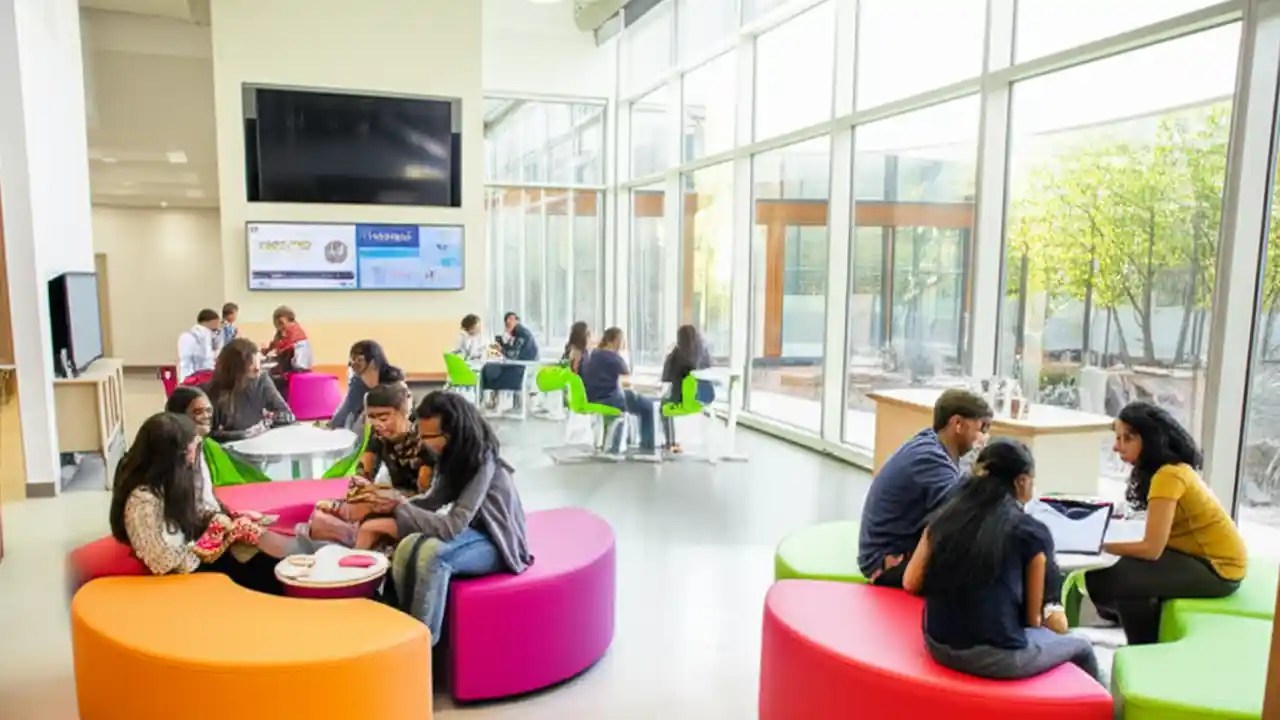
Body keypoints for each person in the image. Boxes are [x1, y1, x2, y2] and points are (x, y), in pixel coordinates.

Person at [903, 439, 1099, 682]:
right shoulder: (1031, 533)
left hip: (938, 643)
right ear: (1021, 481)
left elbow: (910, 582)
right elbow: (1033, 621)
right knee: (1082, 646)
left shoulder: (944, 519)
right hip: (996, 657)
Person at [348, 391, 532, 644]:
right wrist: (387, 504)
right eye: (423, 436)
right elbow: (432, 501)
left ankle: (423, 642)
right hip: (472, 533)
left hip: (498, 543)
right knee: (407, 545)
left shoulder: (481, 461)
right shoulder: (451, 457)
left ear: (454, 432)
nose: (427, 443)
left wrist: (400, 505)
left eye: (432, 436)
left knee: (432, 554)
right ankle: (400, 622)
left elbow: (453, 526)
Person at [1084, 402, 1247, 645]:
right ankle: (1142, 639)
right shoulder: (1169, 470)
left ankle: (1144, 646)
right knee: (1124, 576)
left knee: (1110, 576)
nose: (1117, 447)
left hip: (1219, 569)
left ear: (1150, 439)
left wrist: (1099, 545)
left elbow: (1151, 549)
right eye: (1117, 438)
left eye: (1127, 438)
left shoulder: (1168, 475)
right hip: (1198, 557)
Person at [108, 412, 294, 594]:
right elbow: (162, 562)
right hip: (183, 572)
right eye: (191, 447)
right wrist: (210, 543)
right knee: (260, 568)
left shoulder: (172, 480)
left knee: (266, 556)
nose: (195, 452)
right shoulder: (143, 500)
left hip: (196, 554)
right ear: (173, 455)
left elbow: (194, 514)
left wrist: (224, 522)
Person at [858, 389, 993, 588]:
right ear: (957, 424)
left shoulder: (932, 443)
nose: (985, 437)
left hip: (894, 550)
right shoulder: (930, 460)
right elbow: (963, 513)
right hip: (887, 563)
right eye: (982, 428)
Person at [299, 383, 432, 551]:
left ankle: (358, 536)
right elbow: (364, 471)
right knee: (323, 511)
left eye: (384, 418)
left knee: (364, 507)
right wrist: (360, 486)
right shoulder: (378, 435)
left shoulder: (426, 437)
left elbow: (427, 494)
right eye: (372, 418)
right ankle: (356, 534)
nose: (378, 425)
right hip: (390, 499)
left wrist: (385, 497)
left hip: (419, 506)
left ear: (404, 411)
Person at [581, 327, 658, 454]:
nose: (623, 345)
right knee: (647, 406)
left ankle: (629, 442)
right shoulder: (612, 356)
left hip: (595, 397)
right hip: (611, 398)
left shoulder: (594, 354)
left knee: (631, 397)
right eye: (622, 341)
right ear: (615, 341)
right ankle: (647, 447)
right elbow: (626, 372)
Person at [203, 338, 296, 442]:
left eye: (259, 366)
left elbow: (287, 415)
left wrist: (267, 423)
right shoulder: (211, 392)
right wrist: (243, 434)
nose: (258, 373)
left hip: (257, 444)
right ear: (235, 370)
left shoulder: (261, 381)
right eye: (253, 369)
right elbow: (207, 434)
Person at [329, 340, 406, 430]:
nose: (354, 364)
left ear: (373, 362)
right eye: (353, 359)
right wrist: (332, 426)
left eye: (359, 360)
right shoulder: (357, 383)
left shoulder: (393, 383)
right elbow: (347, 408)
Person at [660, 324, 714, 452]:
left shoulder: (676, 355)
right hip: (704, 399)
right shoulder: (704, 354)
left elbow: (666, 378)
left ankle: (670, 442)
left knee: (663, 406)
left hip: (682, 399)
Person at [481, 311, 539, 411]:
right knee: (490, 369)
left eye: (511, 319)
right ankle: (494, 401)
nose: (508, 322)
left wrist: (501, 349)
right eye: (506, 320)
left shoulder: (522, 334)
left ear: (517, 320)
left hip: (523, 367)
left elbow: (514, 354)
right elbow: (512, 352)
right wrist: (503, 344)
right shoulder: (516, 334)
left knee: (491, 371)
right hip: (519, 365)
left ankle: (495, 401)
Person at [262, 305, 311, 375]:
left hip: (298, 368)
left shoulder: (295, 331)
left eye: (281, 323)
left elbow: (287, 348)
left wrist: (276, 353)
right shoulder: (282, 332)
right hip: (291, 365)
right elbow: (276, 343)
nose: (279, 326)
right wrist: (267, 350)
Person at [177, 309, 221, 382]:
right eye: (214, 329)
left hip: (201, 377)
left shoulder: (208, 337)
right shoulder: (192, 337)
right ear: (206, 323)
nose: (215, 332)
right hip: (195, 378)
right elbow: (187, 362)